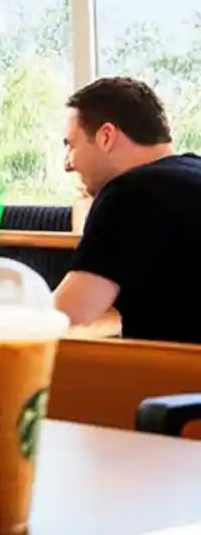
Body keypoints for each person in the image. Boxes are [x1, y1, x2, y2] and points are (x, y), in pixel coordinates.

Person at [55, 77, 201, 343]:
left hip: (180, 379)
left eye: (71, 145)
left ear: (106, 136)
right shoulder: (193, 174)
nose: (67, 164)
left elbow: (67, 314)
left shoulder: (131, 193)